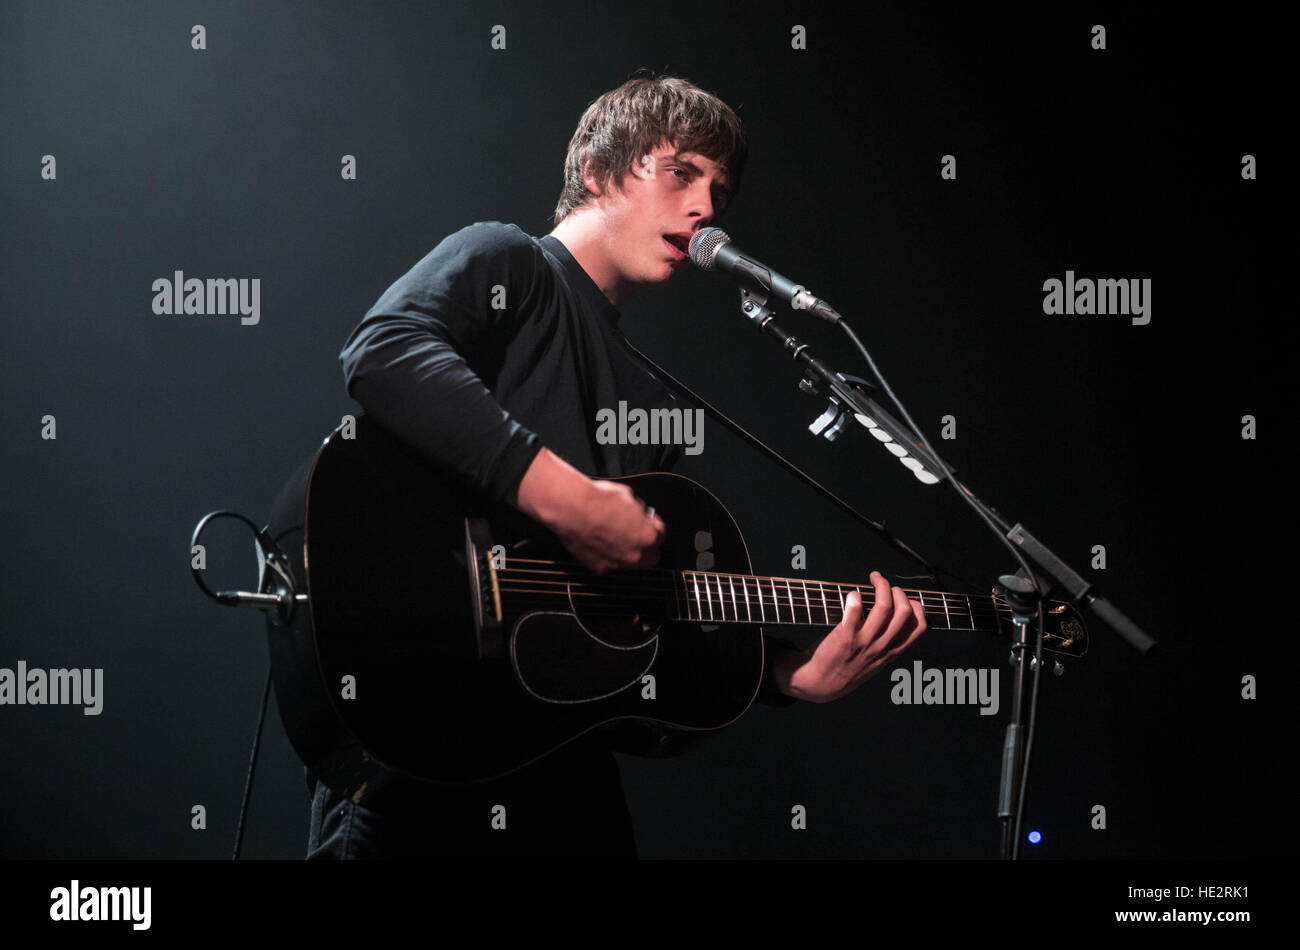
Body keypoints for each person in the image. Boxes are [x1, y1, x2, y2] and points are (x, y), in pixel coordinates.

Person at [306, 74, 927, 860]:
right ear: (598, 171)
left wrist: (781, 678)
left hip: (557, 772)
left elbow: (642, 642)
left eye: (719, 191)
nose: (706, 207)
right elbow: (383, 350)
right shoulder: (507, 261)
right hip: (419, 744)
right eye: (681, 173)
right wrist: (562, 497)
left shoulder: (646, 398)